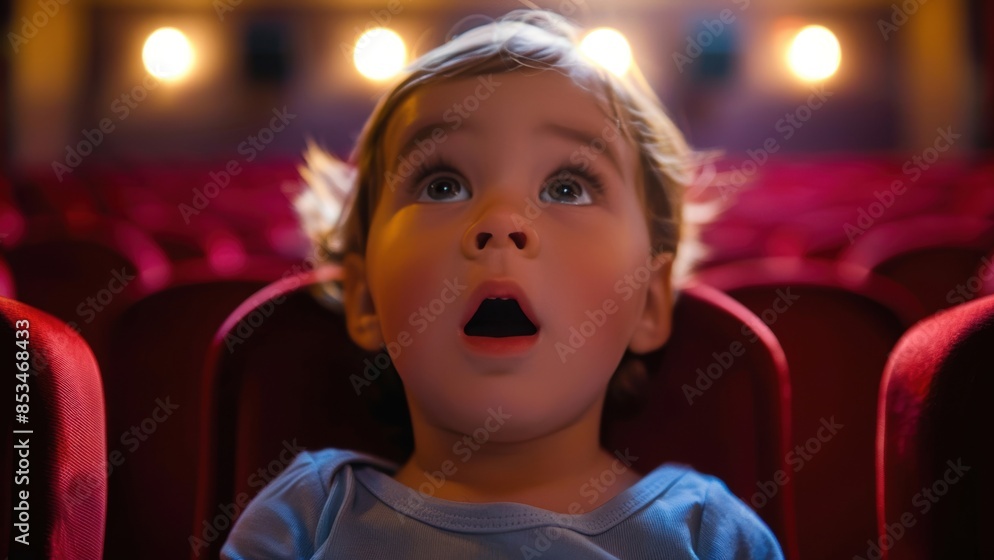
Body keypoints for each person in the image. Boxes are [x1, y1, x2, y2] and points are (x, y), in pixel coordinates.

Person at [223, 9, 783, 559]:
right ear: (365, 296)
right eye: (442, 185)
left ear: (650, 302)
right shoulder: (305, 520)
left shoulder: (709, 536)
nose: (501, 223)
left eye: (567, 188)